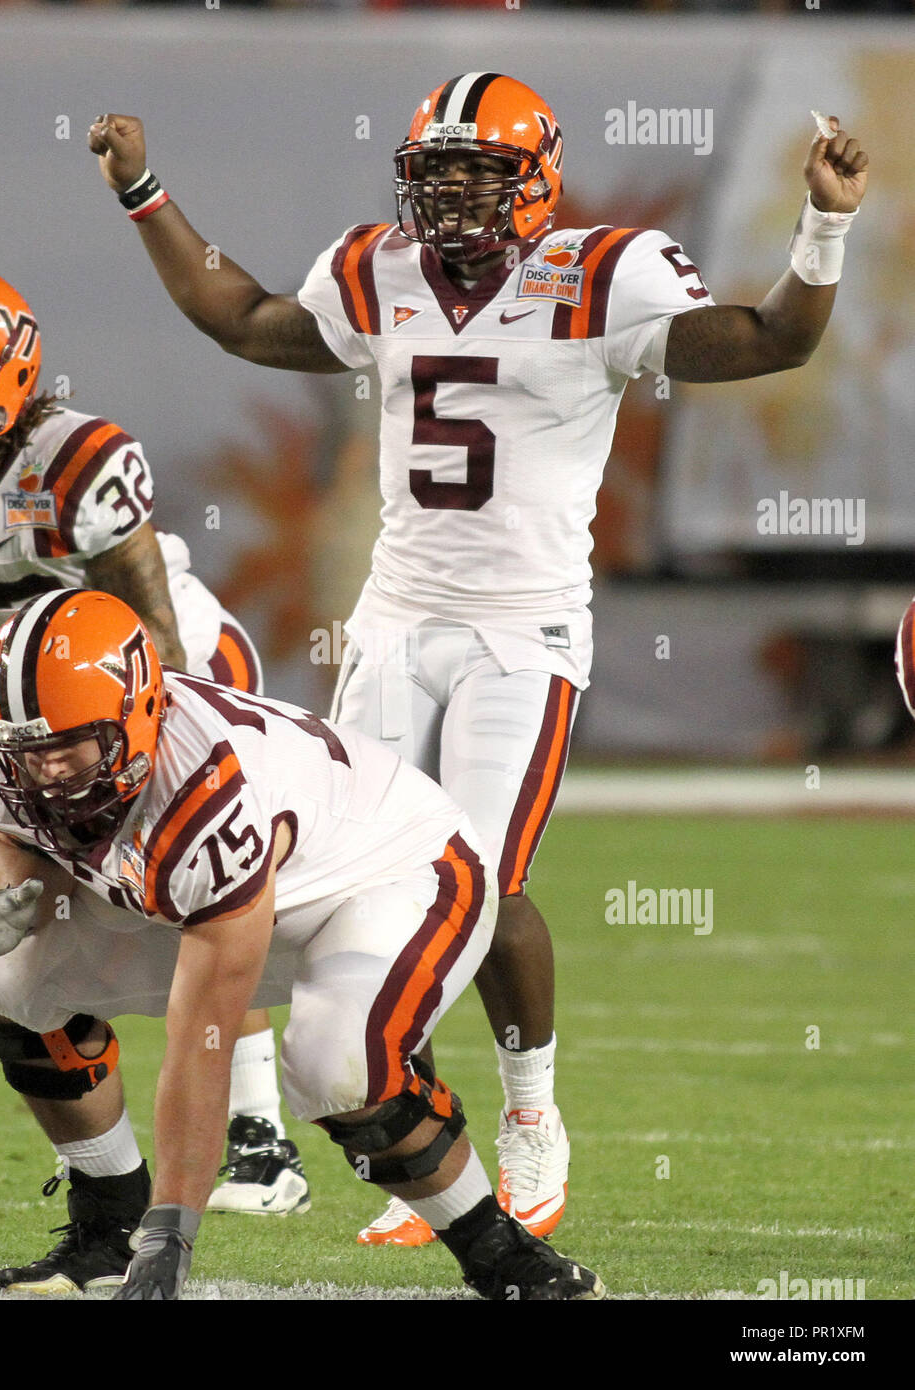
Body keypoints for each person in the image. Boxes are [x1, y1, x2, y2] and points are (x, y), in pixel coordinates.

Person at [85, 75, 868, 1244]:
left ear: (534, 181)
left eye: (476, 174)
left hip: (524, 629)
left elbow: (768, 341)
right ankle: (420, 1135)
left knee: (474, 886)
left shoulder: (603, 276)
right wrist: (144, 194)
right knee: (356, 889)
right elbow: (241, 320)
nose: (449, 196)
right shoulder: (377, 270)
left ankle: (534, 1119)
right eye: (433, 173)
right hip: (397, 618)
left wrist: (823, 225)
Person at [0, 267, 309, 1293]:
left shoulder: (74, 462)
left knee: (196, 893)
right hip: (17, 705)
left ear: (5, 377)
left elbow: (148, 605)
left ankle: (263, 1138)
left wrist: (174, 741)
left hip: (153, 673)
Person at [0, 587, 604, 1301]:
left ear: (136, 716)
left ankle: (504, 1257)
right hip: (247, 895)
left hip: (398, 873)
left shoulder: (204, 792)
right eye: (29, 753)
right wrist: (22, 898)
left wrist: (174, 1234)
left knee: (336, 1067)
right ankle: (107, 1231)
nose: (49, 771)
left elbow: (204, 1038)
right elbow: (18, 836)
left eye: (70, 746)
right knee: (10, 981)